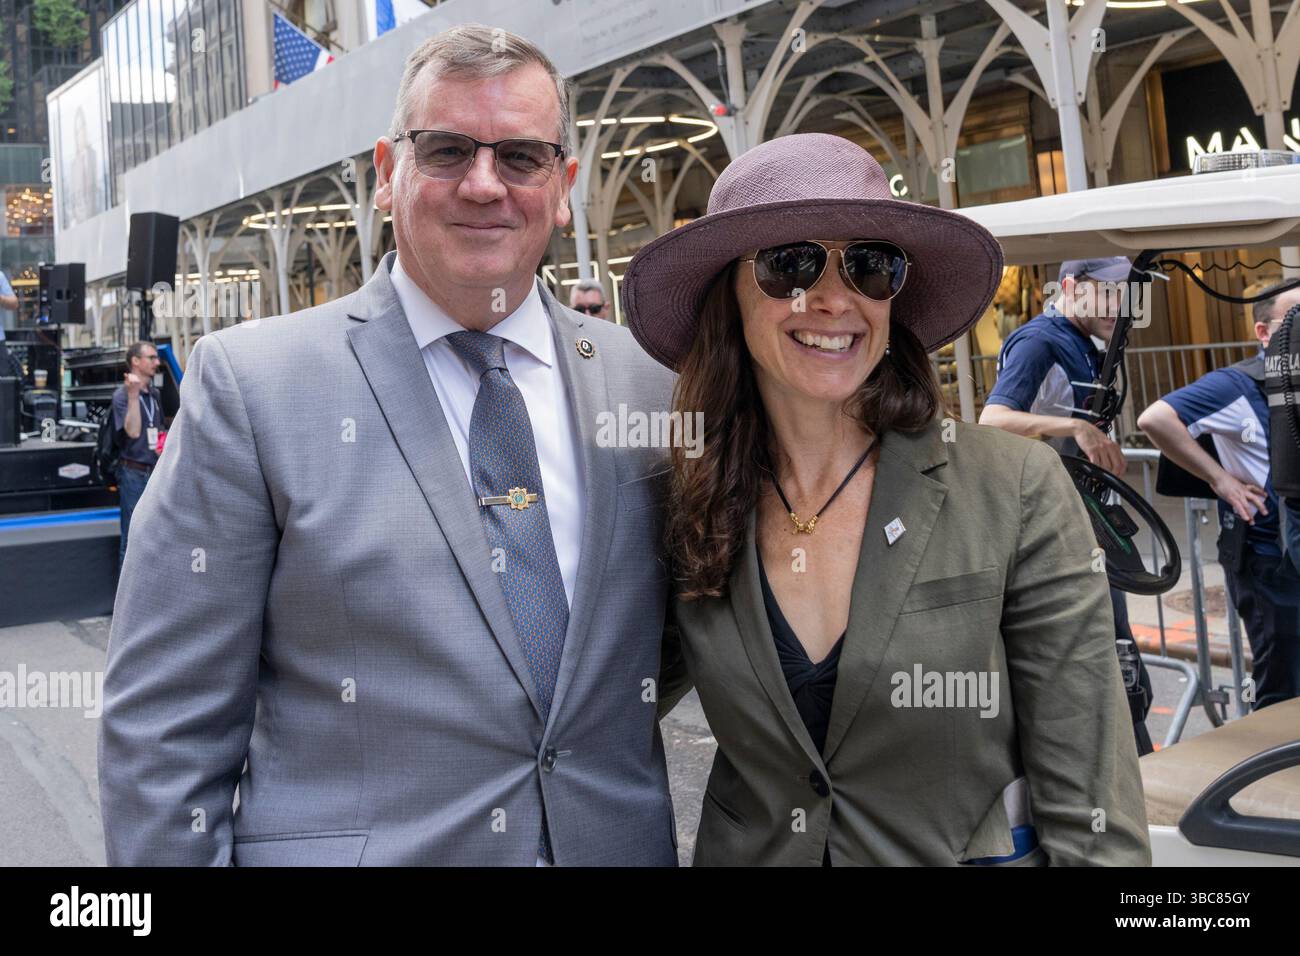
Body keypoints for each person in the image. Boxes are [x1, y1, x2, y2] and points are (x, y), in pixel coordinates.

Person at [100, 24, 679, 866]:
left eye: (521, 157)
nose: (485, 185)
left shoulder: (650, 385)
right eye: (446, 150)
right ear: (386, 173)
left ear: (563, 186)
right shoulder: (256, 388)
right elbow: (164, 725)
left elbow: (666, 646)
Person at [625, 133, 1150, 866]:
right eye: (791, 264)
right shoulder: (688, 497)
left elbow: (1093, 807)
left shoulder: (1014, 487)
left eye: (872, 265)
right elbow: (603, 712)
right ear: (729, 294)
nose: (836, 298)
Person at [978, 258, 1155, 755]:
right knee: (1092, 662)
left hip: (1087, 526)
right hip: (1052, 534)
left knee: (1115, 660)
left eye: (1124, 296)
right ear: (1072, 287)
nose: (1118, 307)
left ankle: (1132, 767)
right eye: (1107, 294)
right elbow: (993, 419)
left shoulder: (1085, 343)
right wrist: (1074, 428)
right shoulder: (1040, 342)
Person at [1138, 281, 1300, 711]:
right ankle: (1274, 771)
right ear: (1265, 333)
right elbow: (1156, 418)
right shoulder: (1237, 384)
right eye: (1297, 316)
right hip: (1269, 559)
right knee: (1283, 684)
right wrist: (1220, 479)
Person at [111, 341, 164, 566]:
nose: (157, 362)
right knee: (132, 539)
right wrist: (133, 396)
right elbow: (132, 431)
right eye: (151, 358)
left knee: (158, 535)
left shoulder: (154, 395)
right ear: (135, 361)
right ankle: (127, 600)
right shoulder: (123, 396)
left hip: (155, 472)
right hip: (134, 473)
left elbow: (158, 431)